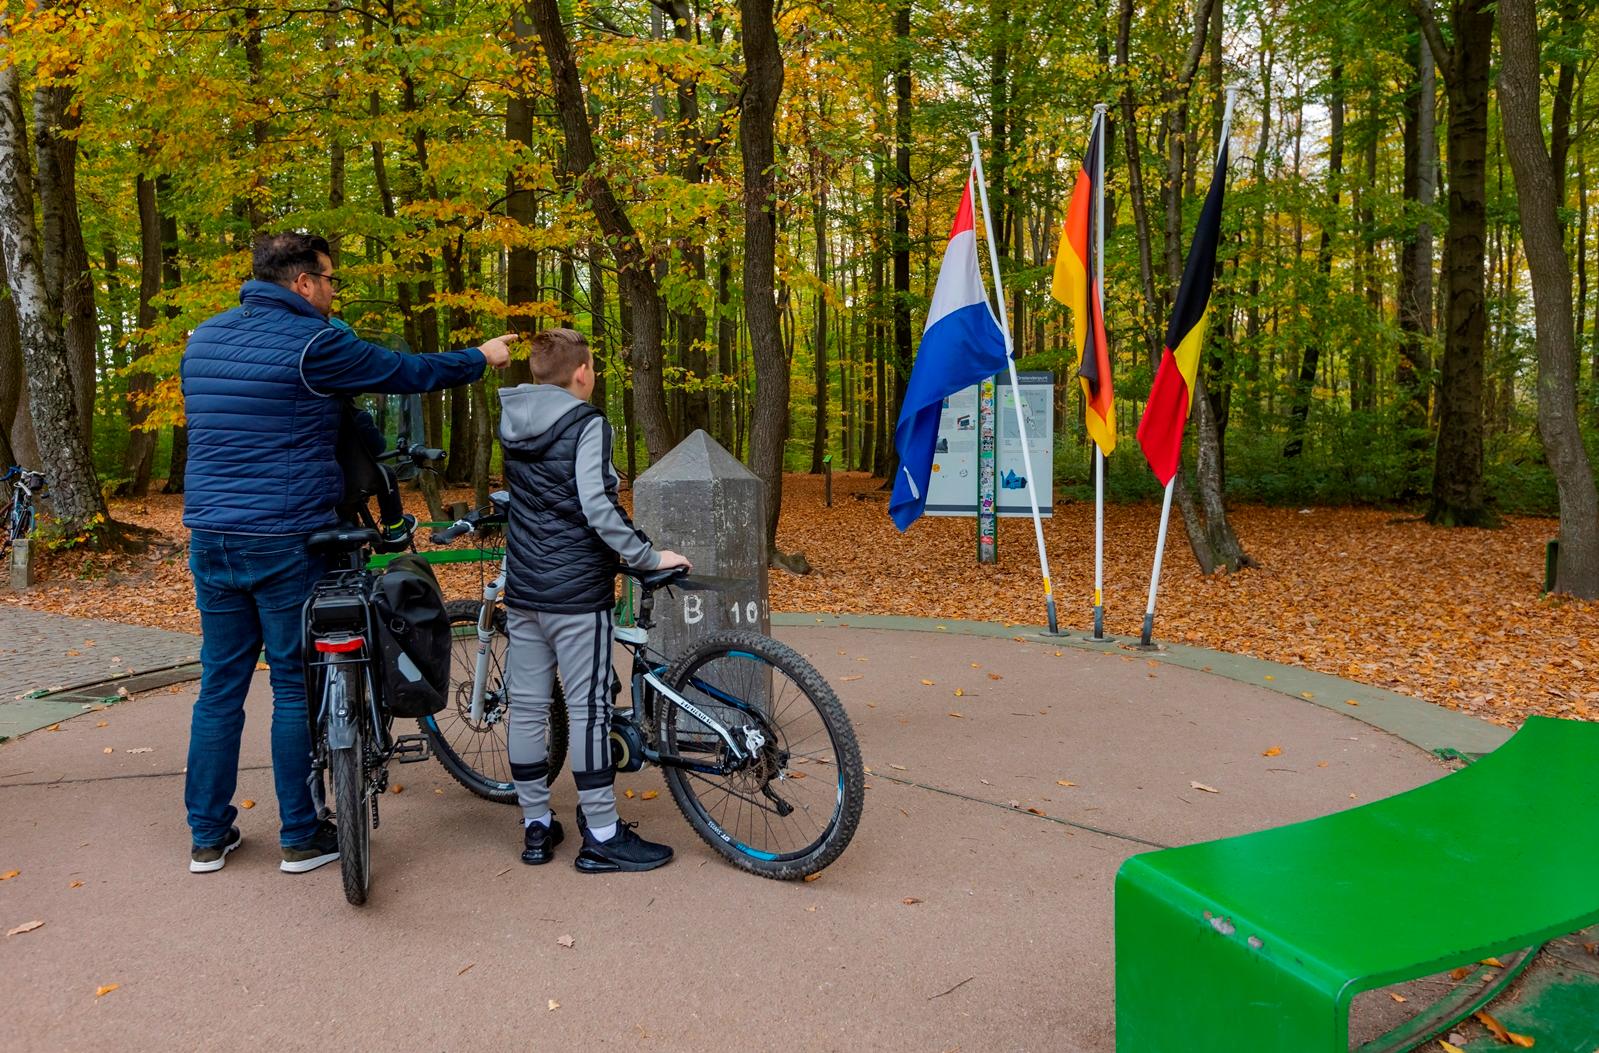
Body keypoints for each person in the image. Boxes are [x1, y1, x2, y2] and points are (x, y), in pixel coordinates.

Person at [181, 231, 514, 875]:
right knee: (290, 685)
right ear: (303, 283)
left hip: (211, 534)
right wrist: (480, 355)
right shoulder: (313, 342)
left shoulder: (204, 340)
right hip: (285, 537)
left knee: (218, 686)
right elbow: (405, 373)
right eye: (330, 279)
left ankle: (207, 835)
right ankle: (301, 835)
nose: (334, 291)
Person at [498, 327, 690, 872]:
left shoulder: (512, 420)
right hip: (578, 592)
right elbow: (597, 508)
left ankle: (536, 828)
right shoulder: (588, 423)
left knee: (529, 709)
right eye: (594, 367)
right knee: (588, 710)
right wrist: (650, 558)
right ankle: (602, 834)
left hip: (526, 587)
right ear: (581, 372)